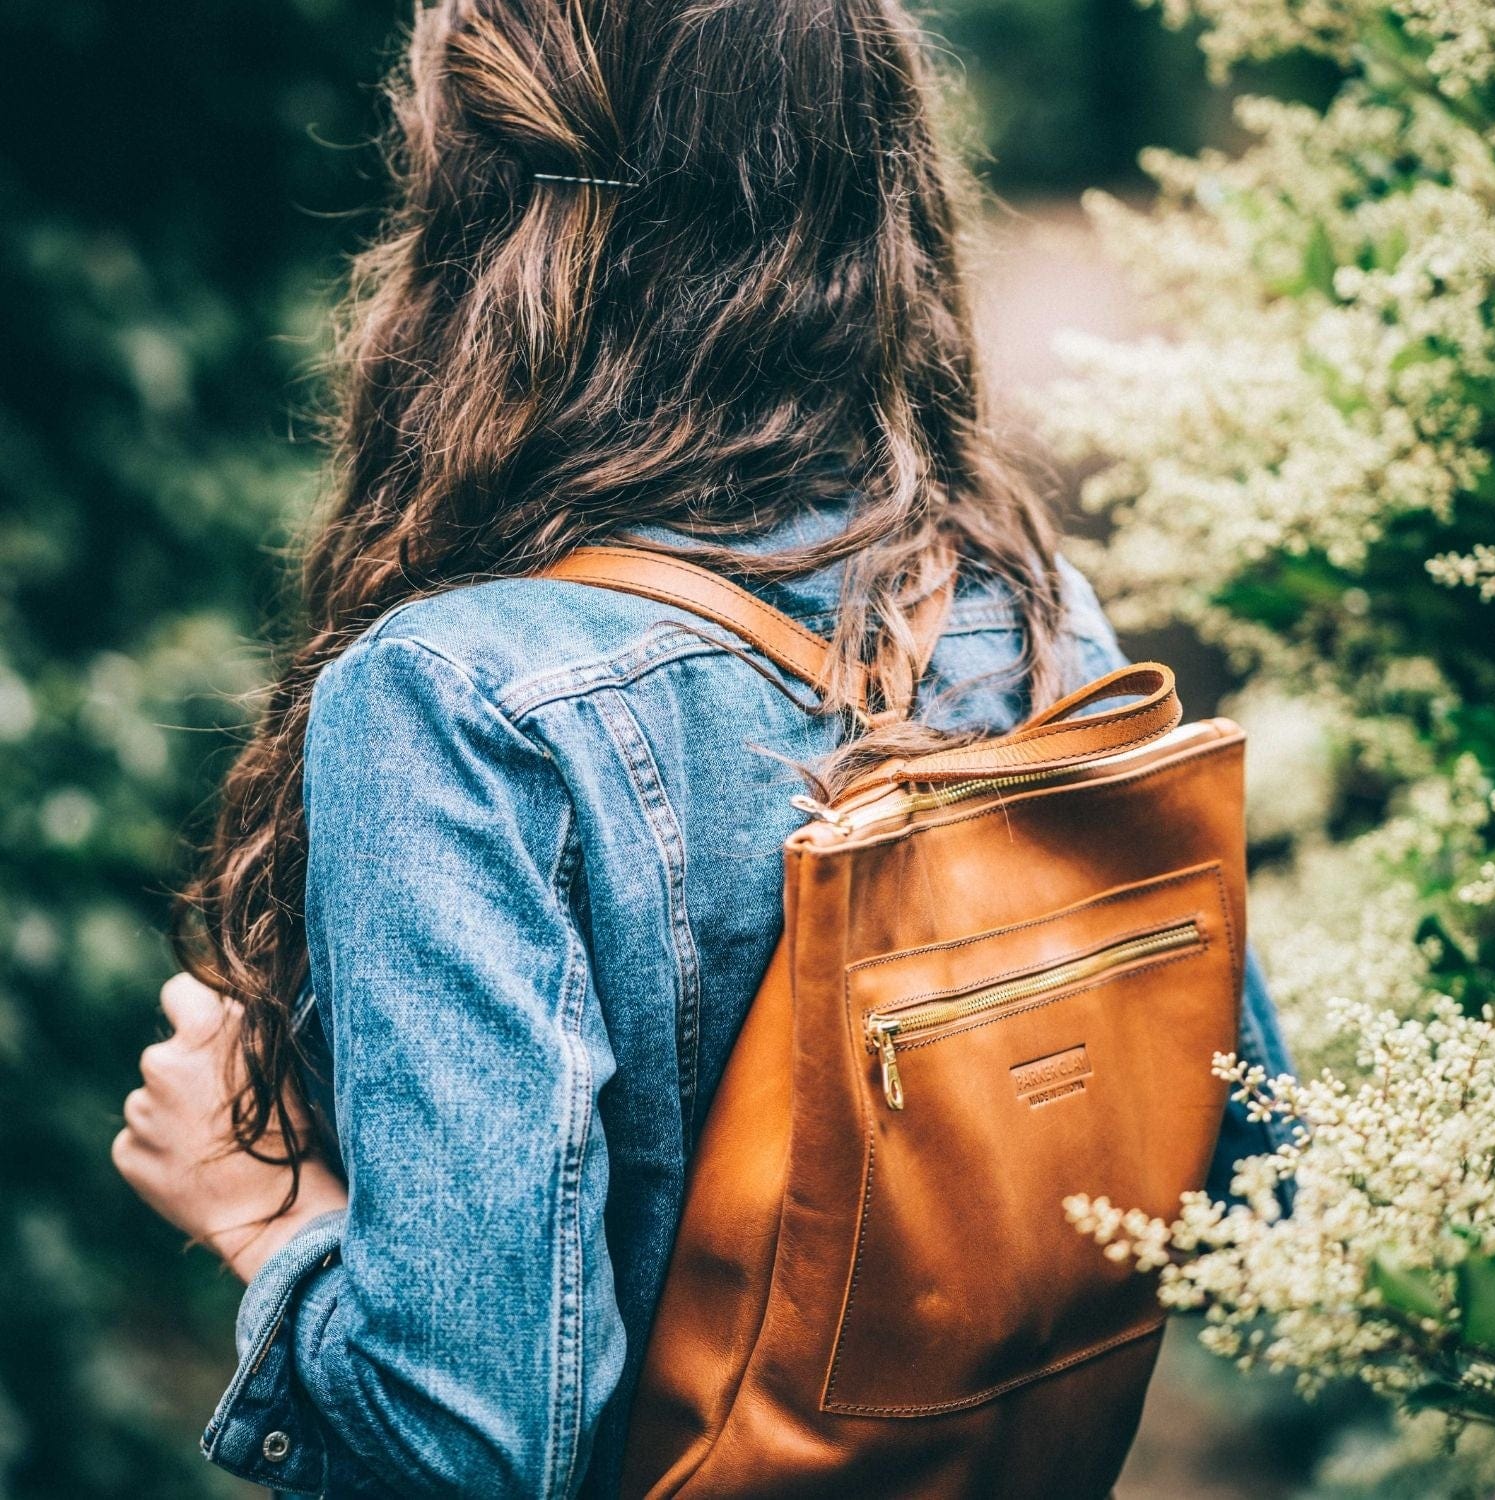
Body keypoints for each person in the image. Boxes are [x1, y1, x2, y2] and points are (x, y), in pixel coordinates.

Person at [112, 0, 1294, 1492]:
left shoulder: (457, 705)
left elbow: (470, 1447)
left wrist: (248, 1208)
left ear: (492, 203)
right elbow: (1251, 1163)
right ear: (877, 184)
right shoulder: (1034, 611)